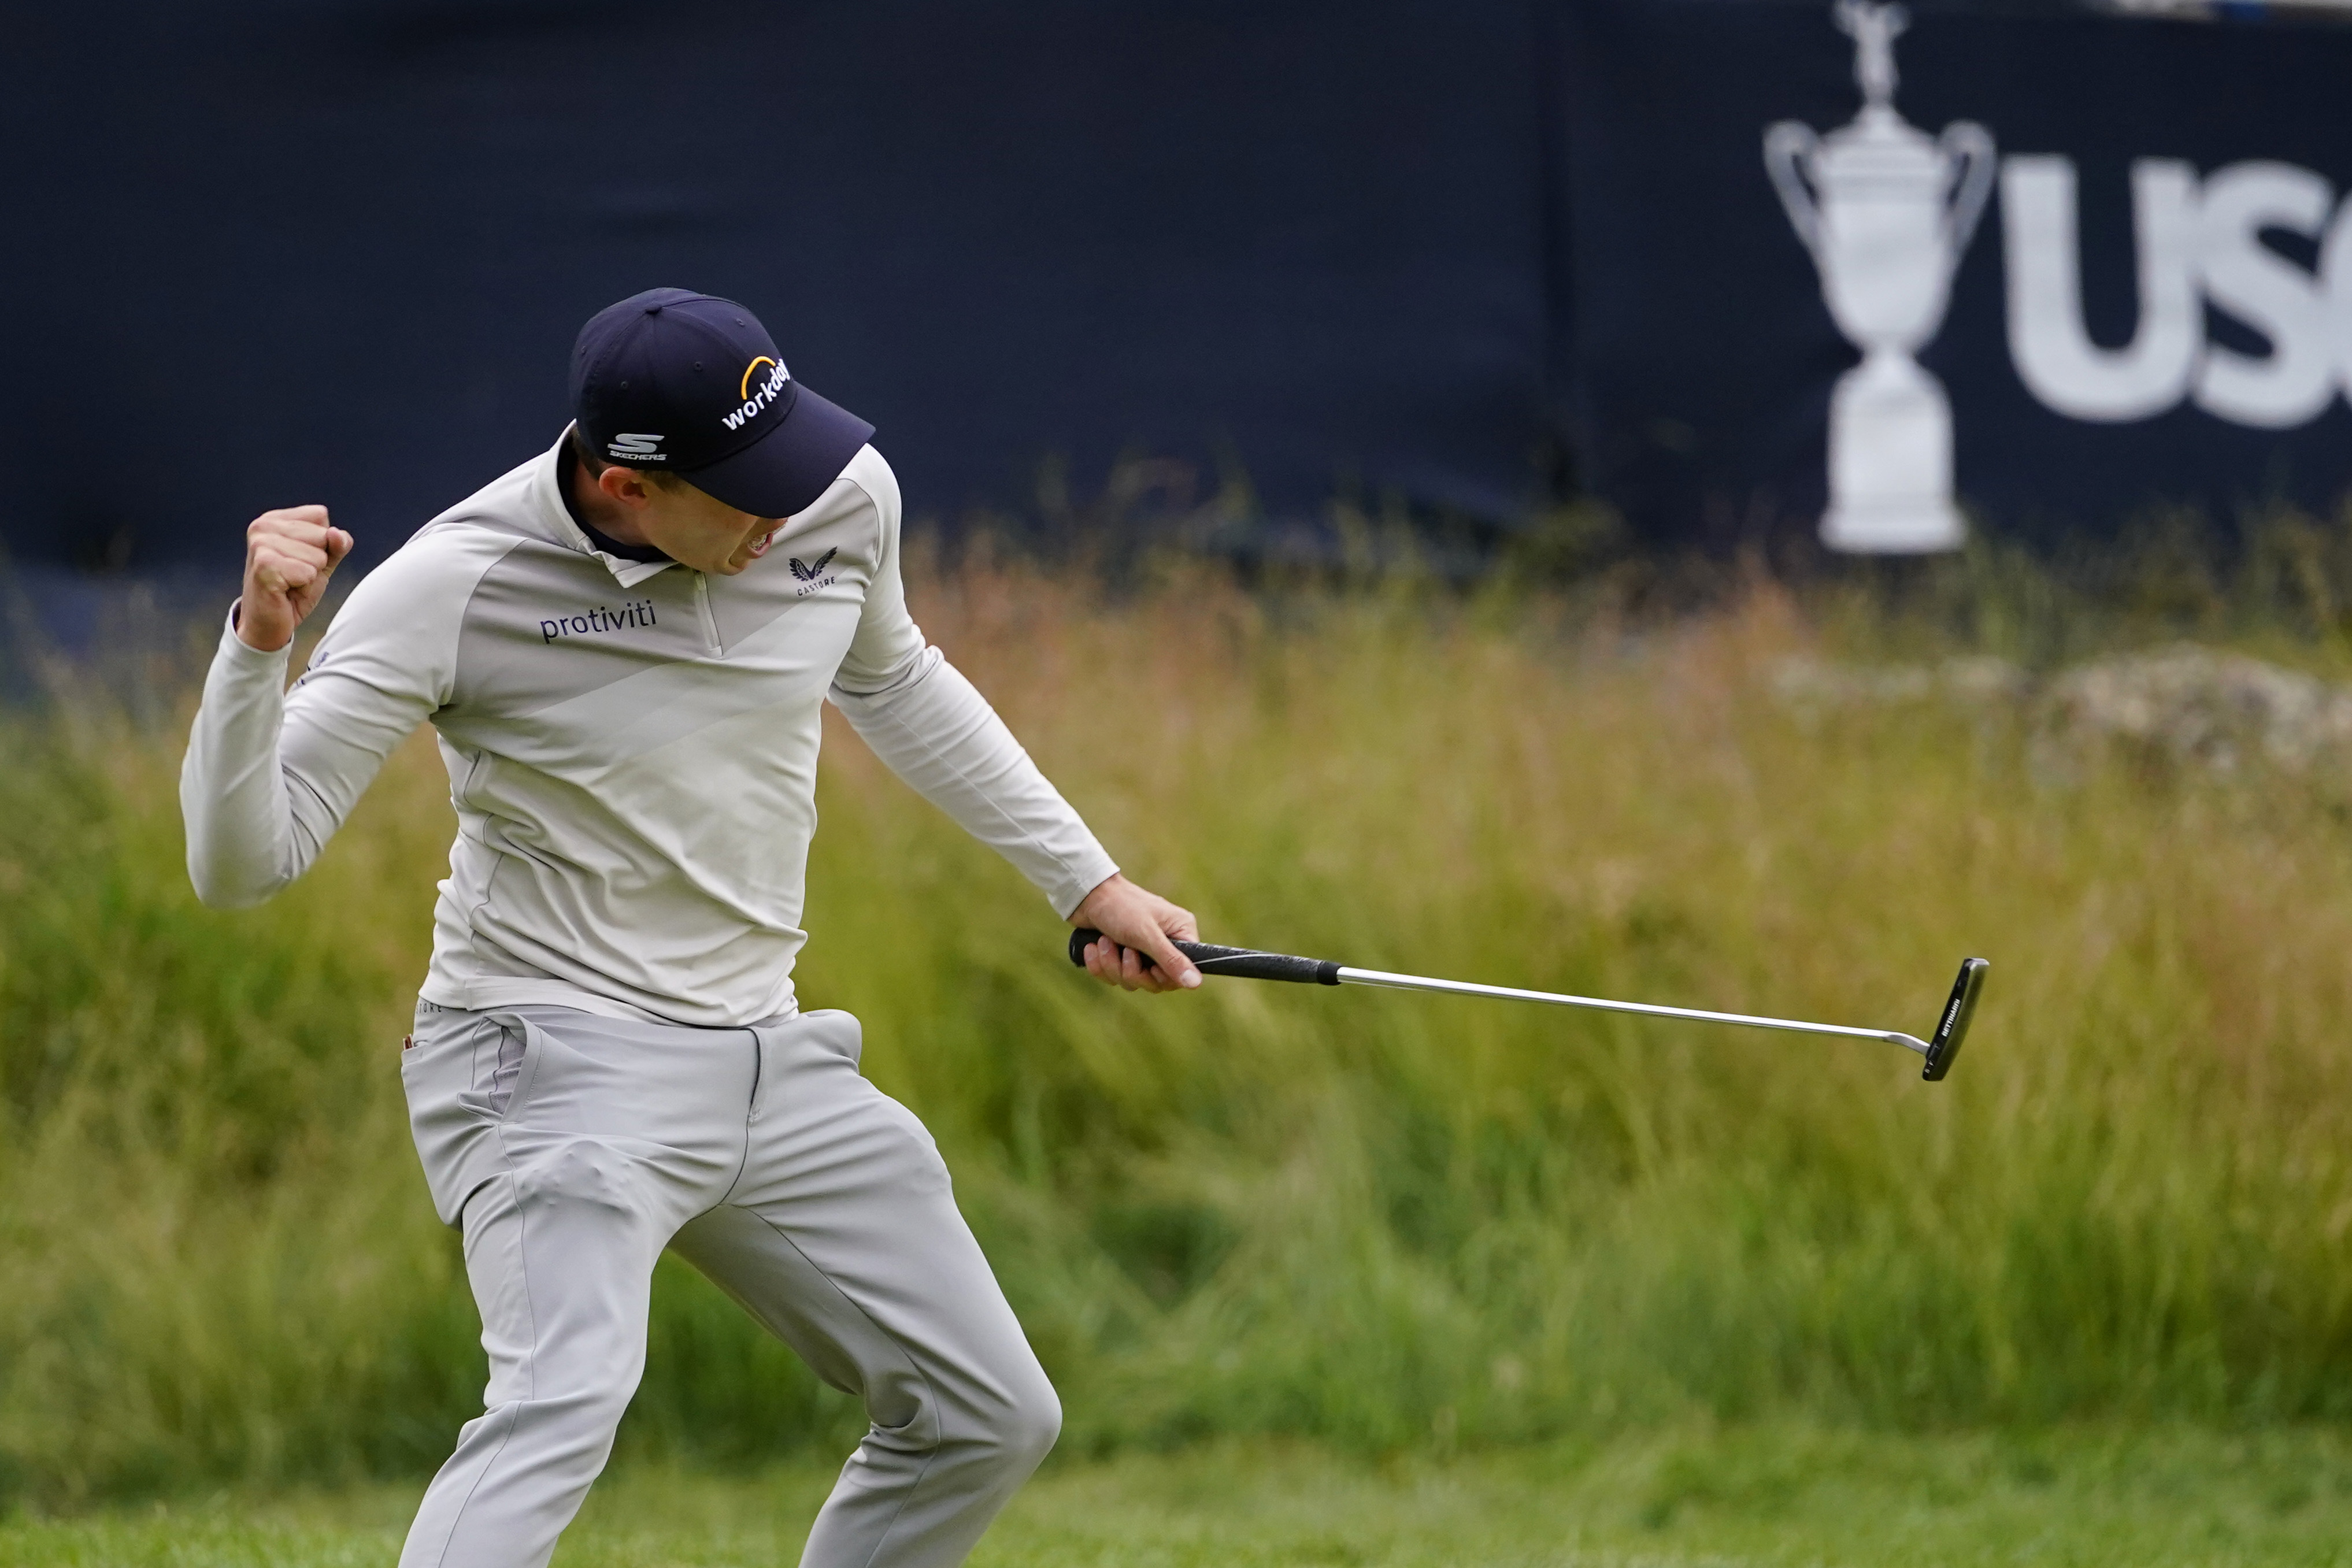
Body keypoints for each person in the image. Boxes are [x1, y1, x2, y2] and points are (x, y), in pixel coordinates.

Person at [179, 287, 1200, 1568]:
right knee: (562, 1400)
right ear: (624, 486)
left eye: (789, 463)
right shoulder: (452, 584)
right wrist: (255, 656)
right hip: (545, 1058)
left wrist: (1088, 882)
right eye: (743, 488)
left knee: (989, 1413)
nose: (784, 513)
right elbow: (241, 862)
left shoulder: (838, 497)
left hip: (766, 1058)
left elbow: (894, 679)